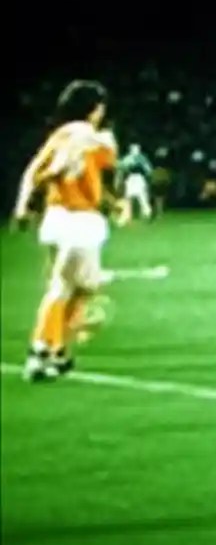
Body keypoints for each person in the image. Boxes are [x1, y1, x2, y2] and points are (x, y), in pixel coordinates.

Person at [11, 80, 118, 381]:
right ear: (94, 109)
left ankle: (56, 350)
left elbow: (35, 171)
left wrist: (22, 206)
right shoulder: (91, 137)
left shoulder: (60, 135)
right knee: (63, 287)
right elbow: (105, 168)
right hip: (78, 220)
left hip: (58, 219)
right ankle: (40, 351)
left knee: (82, 286)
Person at [116, 143, 154, 225]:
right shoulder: (138, 158)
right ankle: (145, 213)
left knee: (139, 197)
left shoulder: (139, 158)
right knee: (135, 198)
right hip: (134, 178)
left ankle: (146, 213)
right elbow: (148, 170)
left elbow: (122, 167)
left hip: (136, 179)